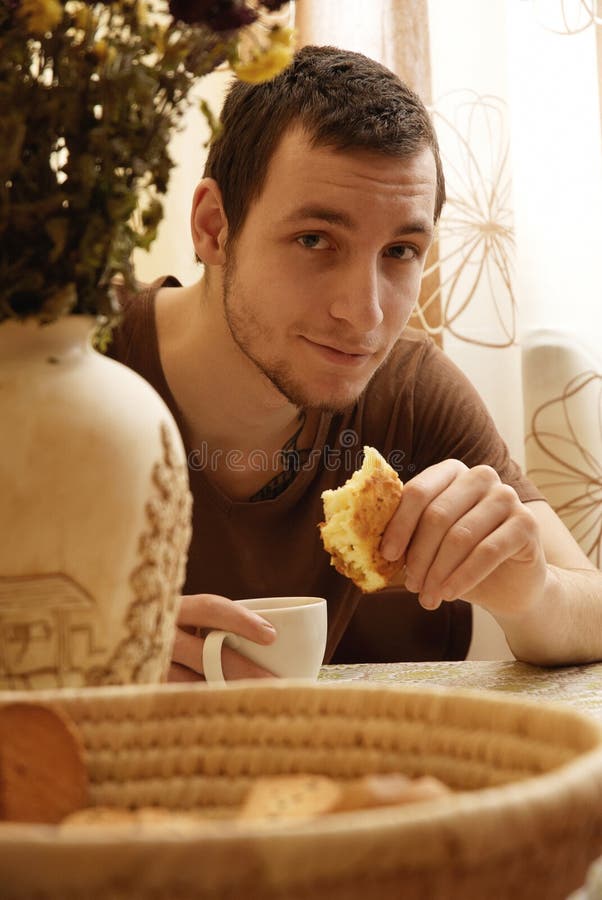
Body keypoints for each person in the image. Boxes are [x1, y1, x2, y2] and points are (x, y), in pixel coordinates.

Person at [109, 45, 602, 681]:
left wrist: (533, 592)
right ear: (213, 227)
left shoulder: (410, 392)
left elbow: (591, 610)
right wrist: (85, 647)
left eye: (400, 250)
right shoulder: (68, 367)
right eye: (315, 240)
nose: (365, 315)